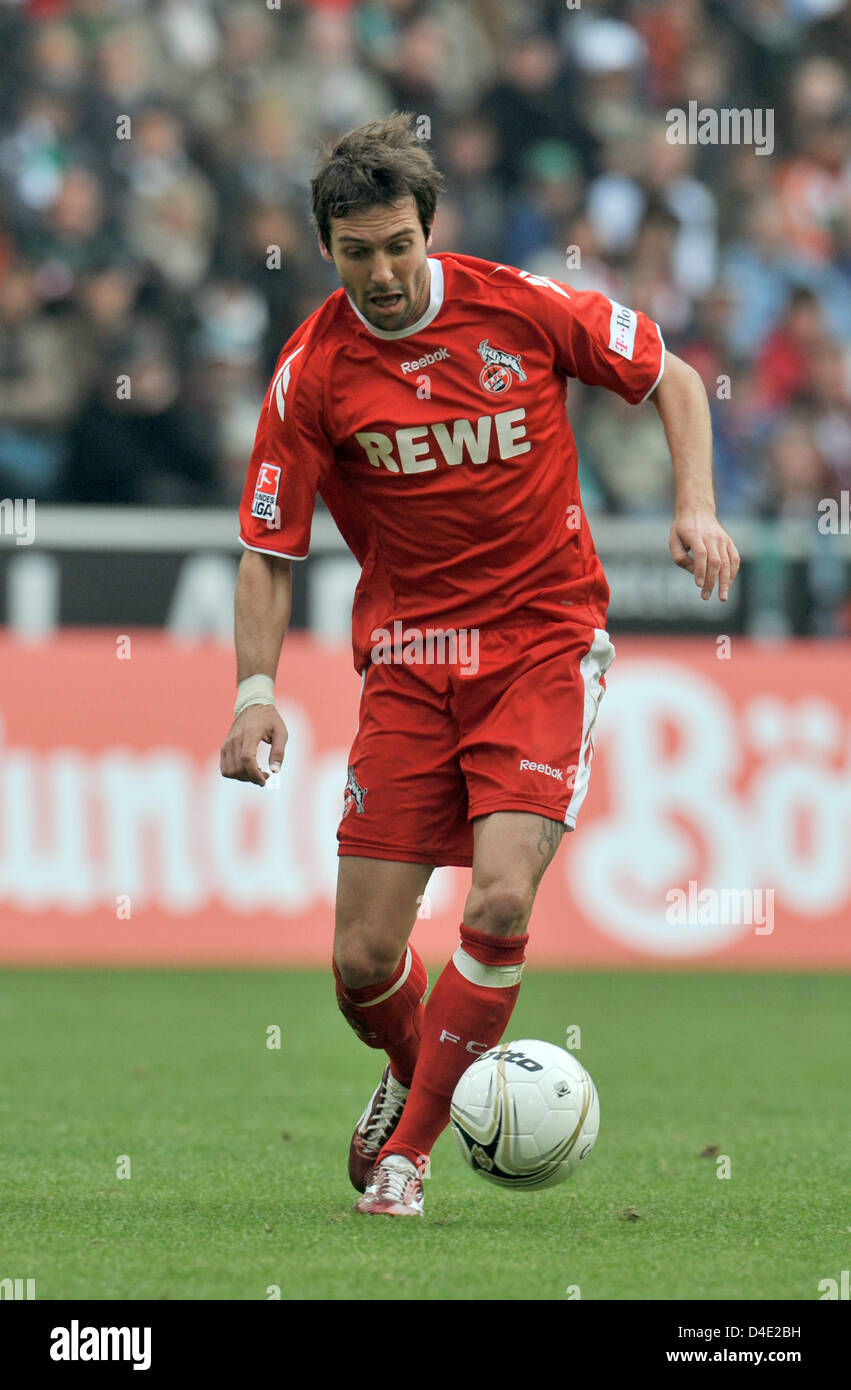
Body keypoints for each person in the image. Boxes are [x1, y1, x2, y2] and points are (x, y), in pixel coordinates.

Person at [220, 112, 739, 1217]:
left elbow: (675, 381)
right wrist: (254, 693)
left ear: (428, 230)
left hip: (542, 644)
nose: (383, 272)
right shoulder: (312, 370)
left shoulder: (521, 306)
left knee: (499, 900)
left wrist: (694, 508)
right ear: (326, 248)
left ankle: (403, 1157)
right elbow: (267, 550)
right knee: (363, 958)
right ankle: (420, 1071)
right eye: (357, 252)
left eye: (398, 244)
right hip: (409, 665)